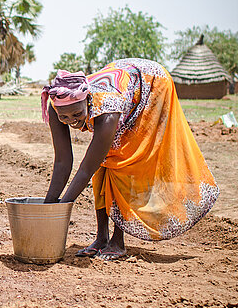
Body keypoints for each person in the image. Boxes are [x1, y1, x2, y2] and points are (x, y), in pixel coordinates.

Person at [42, 58, 219, 260]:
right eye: (64, 117)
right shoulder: (56, 106)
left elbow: (85, 170)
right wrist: (47, 207)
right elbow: (63, 162)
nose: (71, 121)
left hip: (151, 85)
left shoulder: (107, 110)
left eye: (77, 114)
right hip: (125, 82)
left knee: (122, 162)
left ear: (87, 99)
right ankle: (101, 238)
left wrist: (58, 212)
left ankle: (117, 242)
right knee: (102, 163)